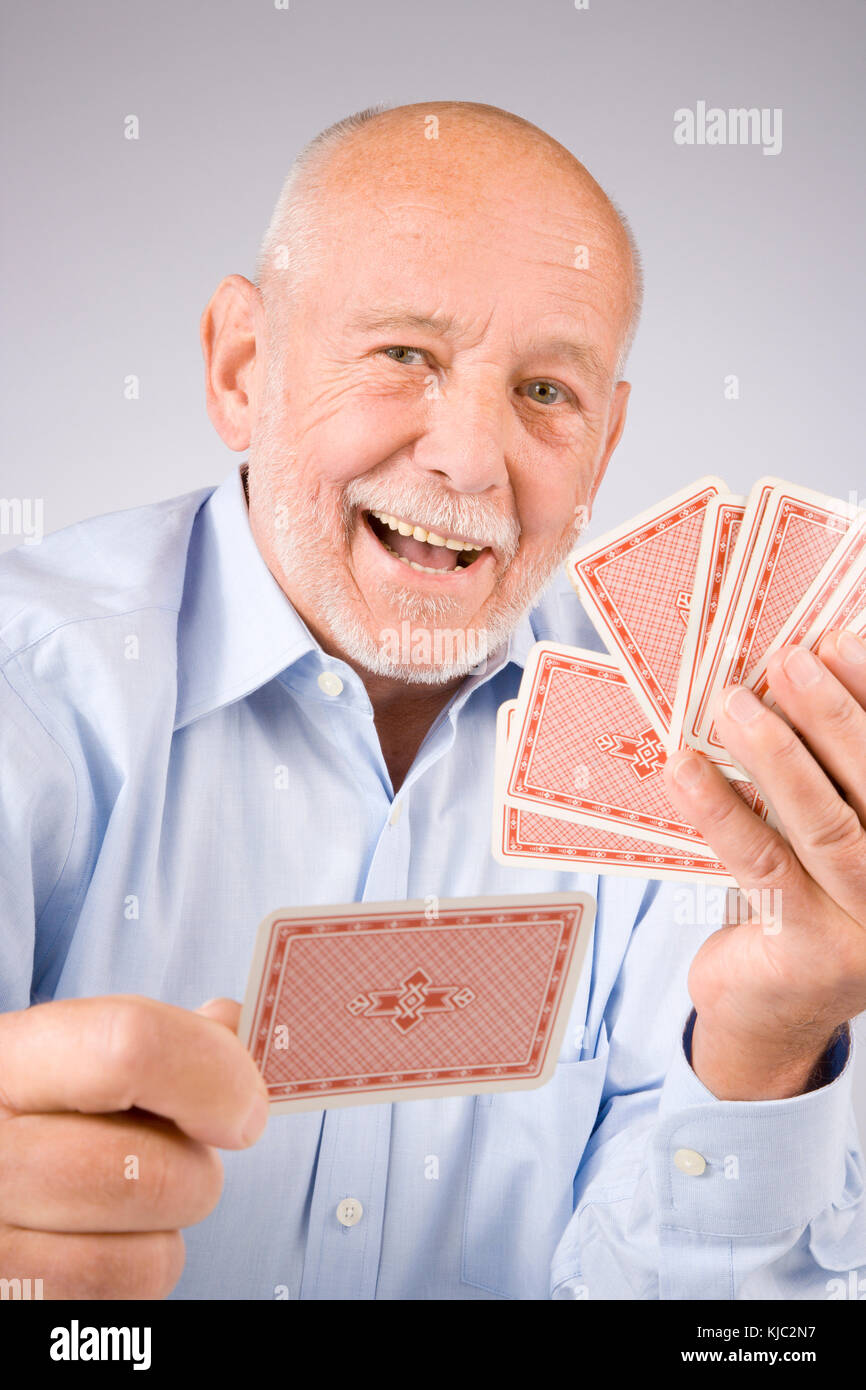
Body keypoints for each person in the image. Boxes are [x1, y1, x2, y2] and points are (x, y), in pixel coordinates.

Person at [1, 100, 864, 1301]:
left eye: (545, 391)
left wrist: (764, 1044)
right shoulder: (25, 695)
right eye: (404, 353)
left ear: (605, 447)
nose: (468, 457)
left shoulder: (696, 774)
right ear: (241, 368)